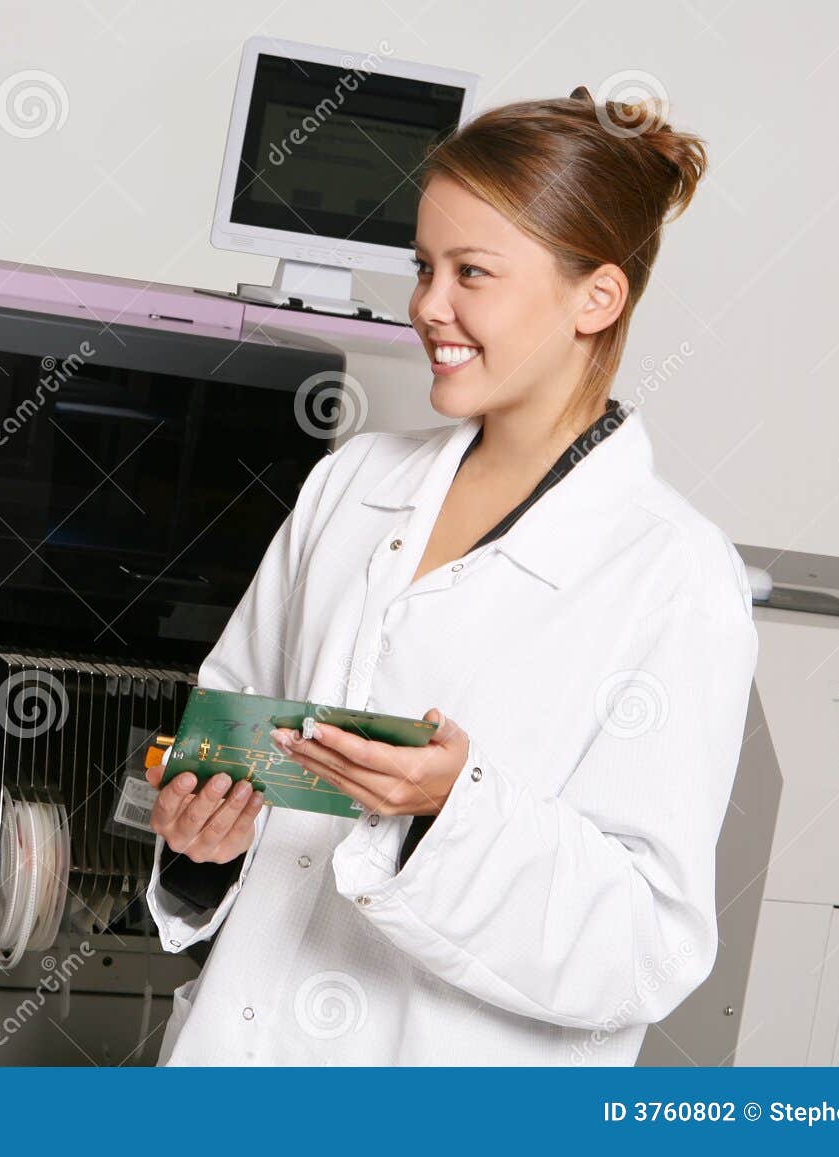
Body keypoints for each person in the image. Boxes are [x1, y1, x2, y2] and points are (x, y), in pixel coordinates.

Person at [144, 88, 758, 1065]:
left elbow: (646, 946)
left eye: (471, 272)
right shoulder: (350, 486)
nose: (428, 305)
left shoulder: (673, 574)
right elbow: (230, 735)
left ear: (595, 297)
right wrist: (198, 842)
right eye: (424, 267)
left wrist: (446, 812)